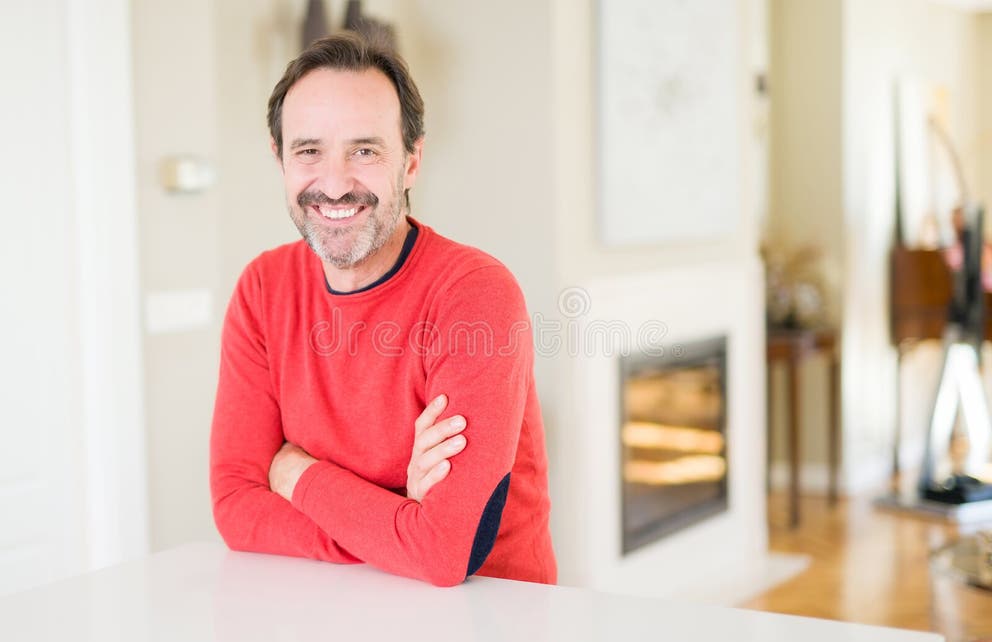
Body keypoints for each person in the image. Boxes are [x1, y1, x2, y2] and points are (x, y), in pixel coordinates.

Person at [209, 32, 556, 587]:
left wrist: (294, 472)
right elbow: (234, 506)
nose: (335, 182)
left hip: (485, 612)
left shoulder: (475, 295)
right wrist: (400, 519)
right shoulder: (262, 288)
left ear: (411, 161)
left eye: (365, 150)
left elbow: (446, 553)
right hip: (330, 605)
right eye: (308, 151)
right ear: (280, 159)